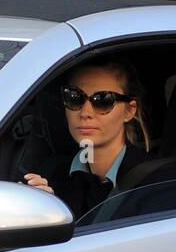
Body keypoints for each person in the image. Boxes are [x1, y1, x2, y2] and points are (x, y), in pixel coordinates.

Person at [23, 56, 154, 218]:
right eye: (74, 97)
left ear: (129, 110)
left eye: (103, 100)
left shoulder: (160, 184)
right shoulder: (50, 173)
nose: (85, 113)